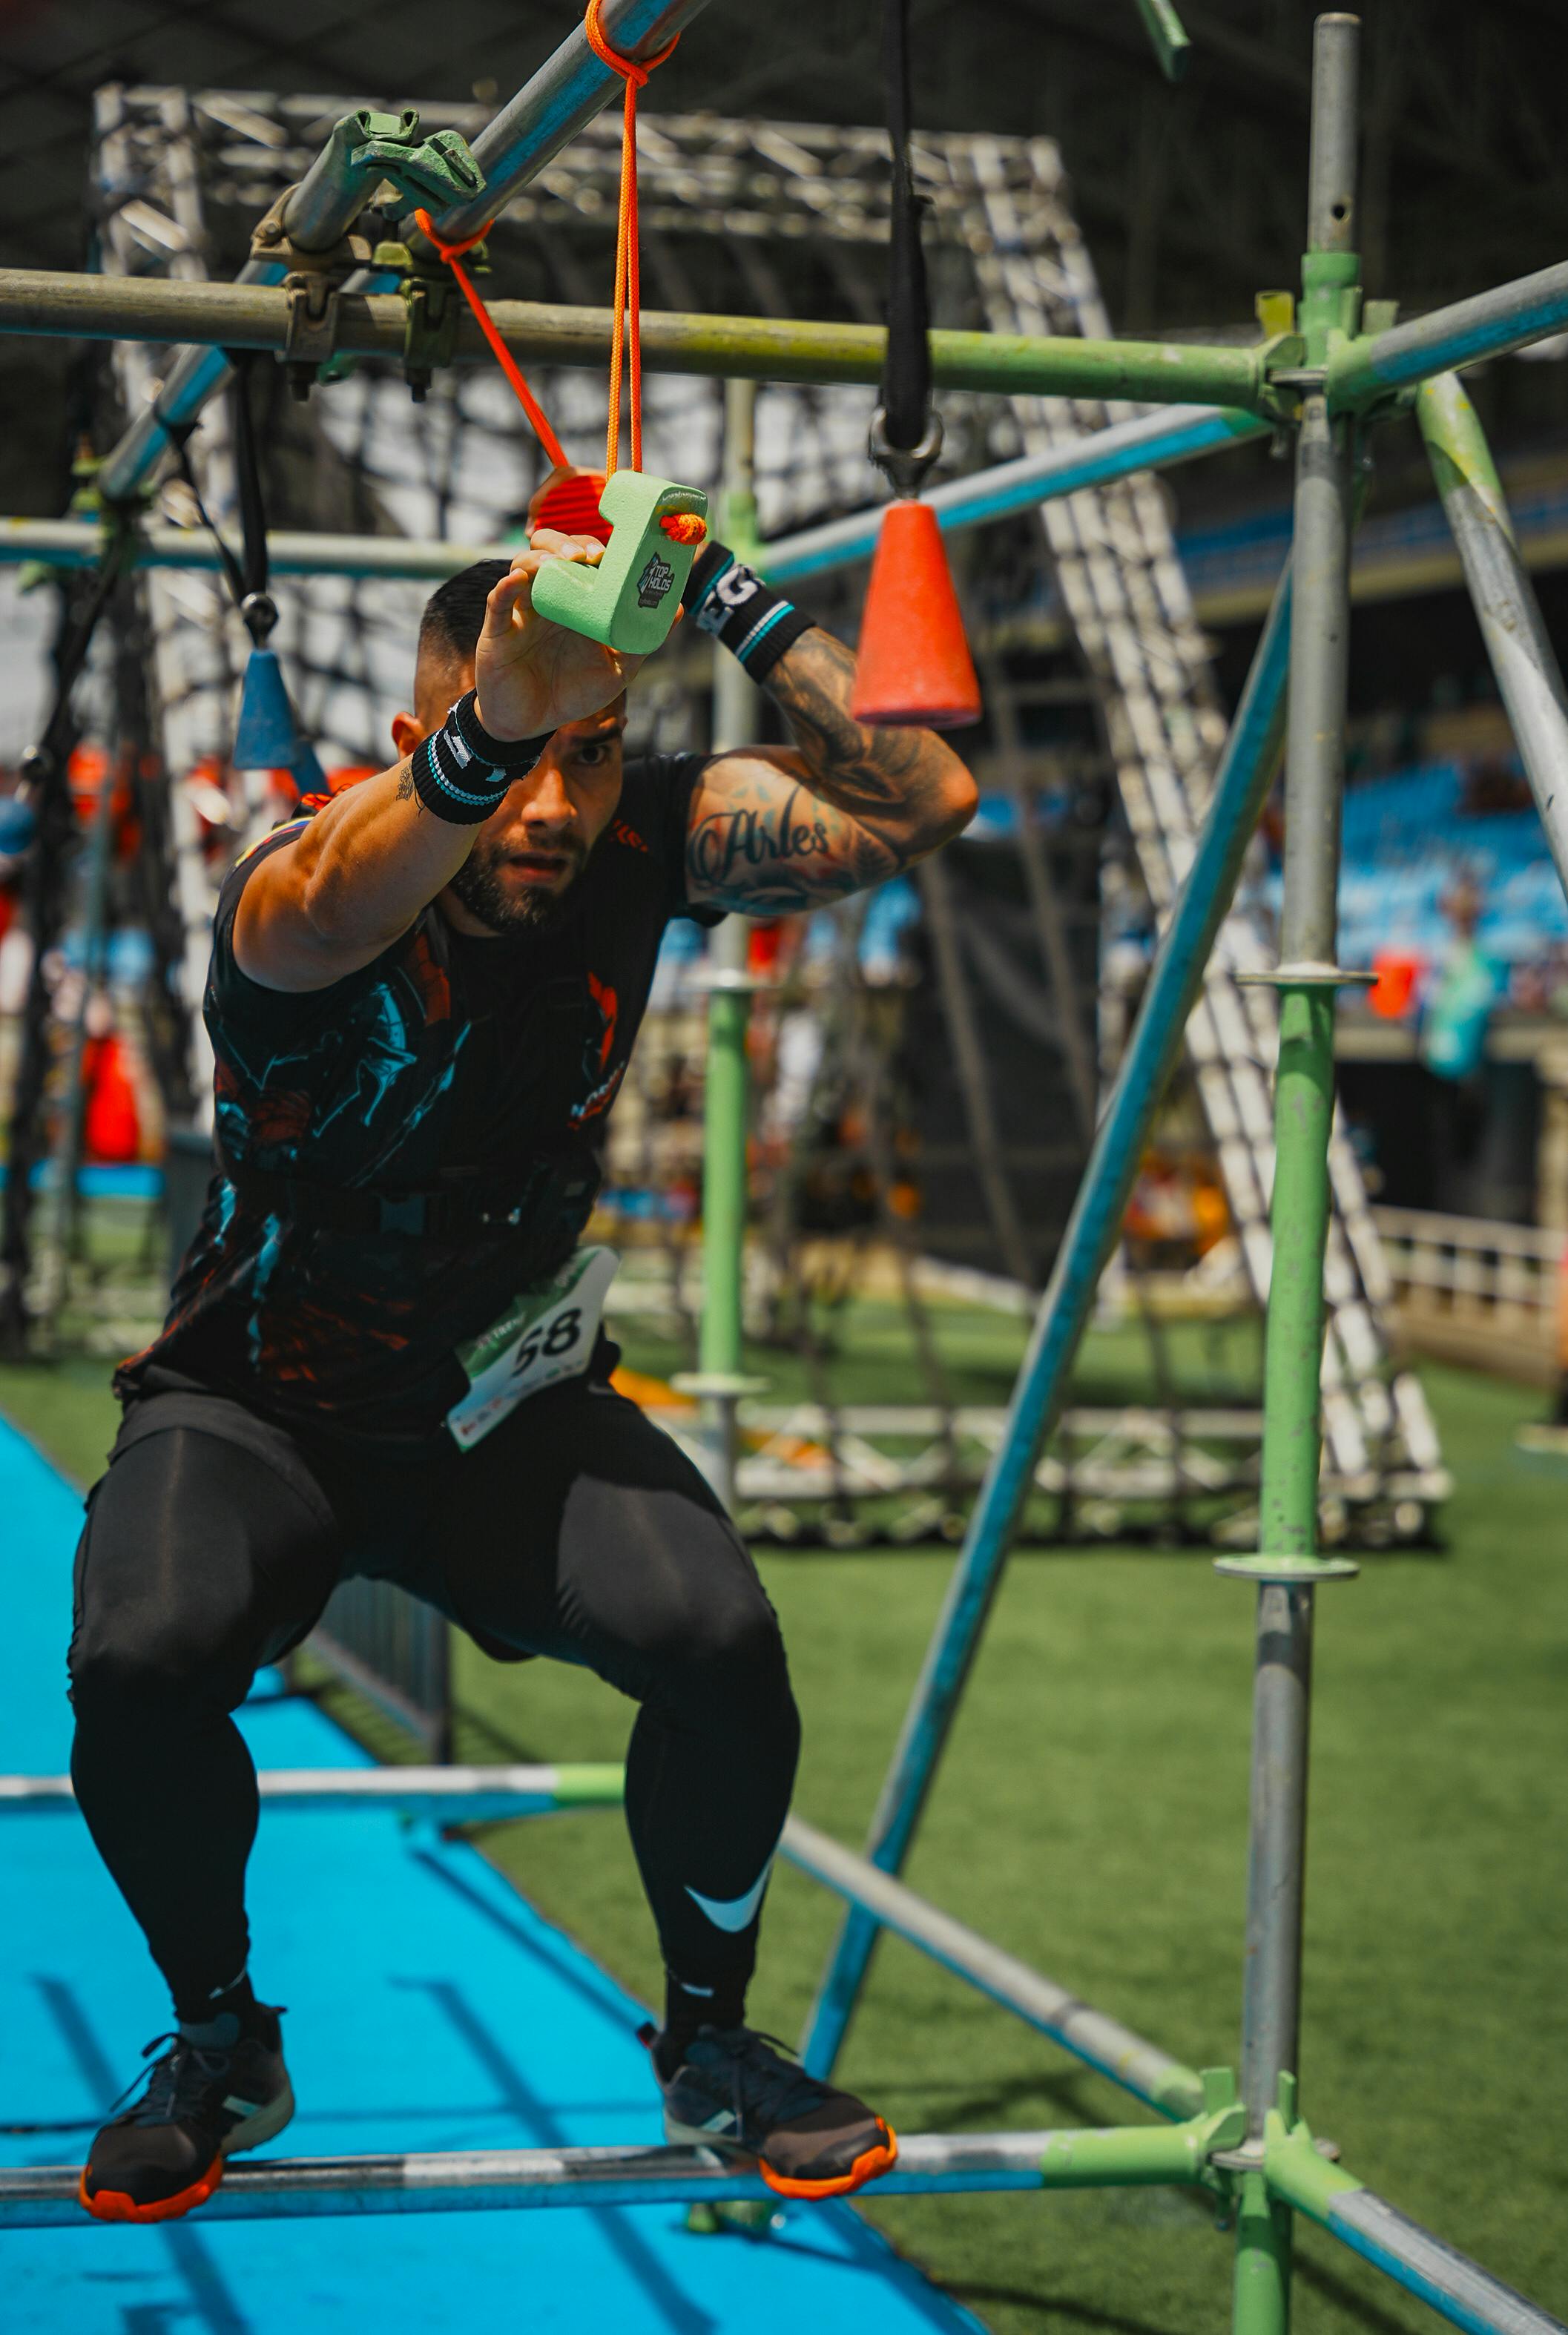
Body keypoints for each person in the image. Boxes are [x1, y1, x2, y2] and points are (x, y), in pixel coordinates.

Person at [69, 506, 978, 2222]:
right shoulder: (306, 872)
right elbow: (324, 906)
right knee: (138, 1659)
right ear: (422, 735)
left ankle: (707, 2038)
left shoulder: (641, 834)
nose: (556, 804)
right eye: (520, 754)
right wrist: (497, 728)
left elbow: (922, 797)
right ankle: (219, 2038)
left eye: (596, 751)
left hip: (501, 1413)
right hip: (259, 1405)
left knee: (720, 1642)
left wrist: (724, 592)